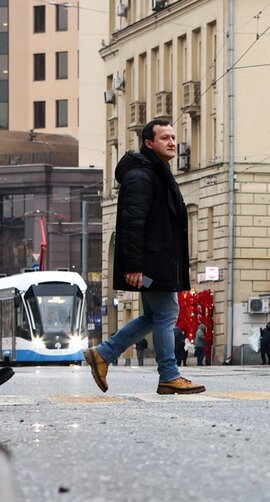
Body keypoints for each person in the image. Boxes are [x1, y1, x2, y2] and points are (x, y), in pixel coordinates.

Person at [83, 118, 204, 395]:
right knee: (165, 314)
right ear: (149, 143)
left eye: (173, 137)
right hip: (152, 261)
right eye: (165, 138)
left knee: (155, 315)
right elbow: (132, 222)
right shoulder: (142, 176)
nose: (172, 142)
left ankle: (103, 353)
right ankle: (169, 375)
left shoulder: (157, 172)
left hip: (159, 259)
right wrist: (135, 265)